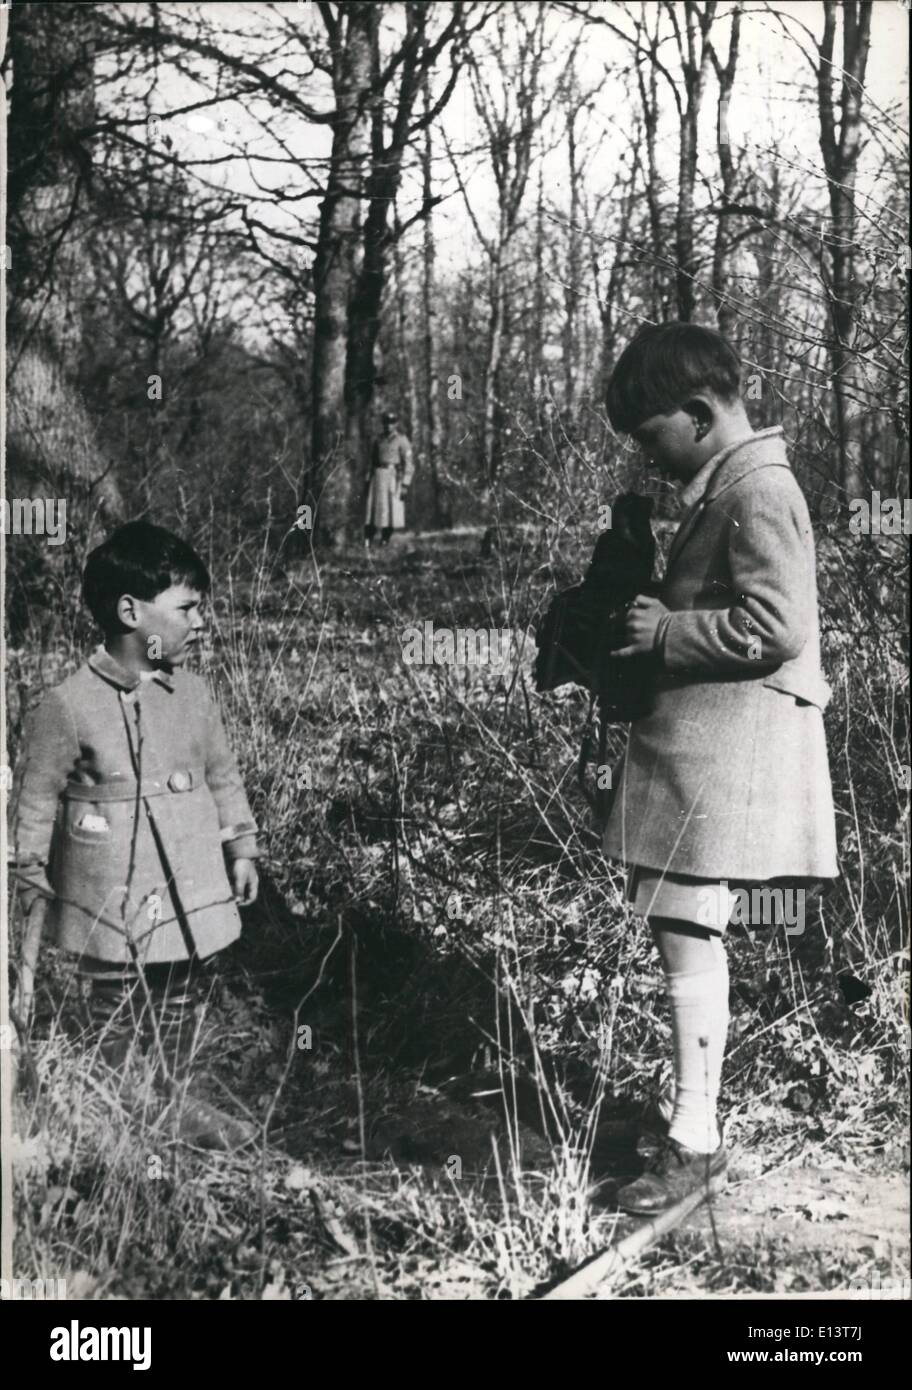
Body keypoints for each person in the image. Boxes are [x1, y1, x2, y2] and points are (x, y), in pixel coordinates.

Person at [602, 323, 837, 1214]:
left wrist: (668, 632)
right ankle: (688, 1118)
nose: (645, 456)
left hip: (726, 748)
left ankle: (696, 1139)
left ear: (698, 415)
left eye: (650, 434)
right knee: (680, 924)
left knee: (688, 928)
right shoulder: (733, 479)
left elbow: (779, 626)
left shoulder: (760, 486)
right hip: (701, 745)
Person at [11, 521, 260, 1145]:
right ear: (130, 611)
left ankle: (176, 1099)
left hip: (183, 878)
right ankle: (118, 1102)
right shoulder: (67, 704)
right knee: (114, 998)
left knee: (177, 994)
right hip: (106, 885)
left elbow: (223, 776)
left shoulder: (196, 696)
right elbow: (37, 794)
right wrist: (28, 865)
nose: (201, 621)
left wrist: (241, 846)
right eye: (187, 608)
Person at [364, 410, 414, 546]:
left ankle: (385, 540)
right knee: (373, 509)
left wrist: (405, 484)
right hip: (377, 476)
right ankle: (368, 540)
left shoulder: (402, 440)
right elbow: (371, 461)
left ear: (396, 424)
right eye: (386, 423)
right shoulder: (378, 440)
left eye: (392, 423)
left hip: (392, 476)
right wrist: (367, 479)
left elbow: (409, 464)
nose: (388, 426)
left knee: (390, 510)